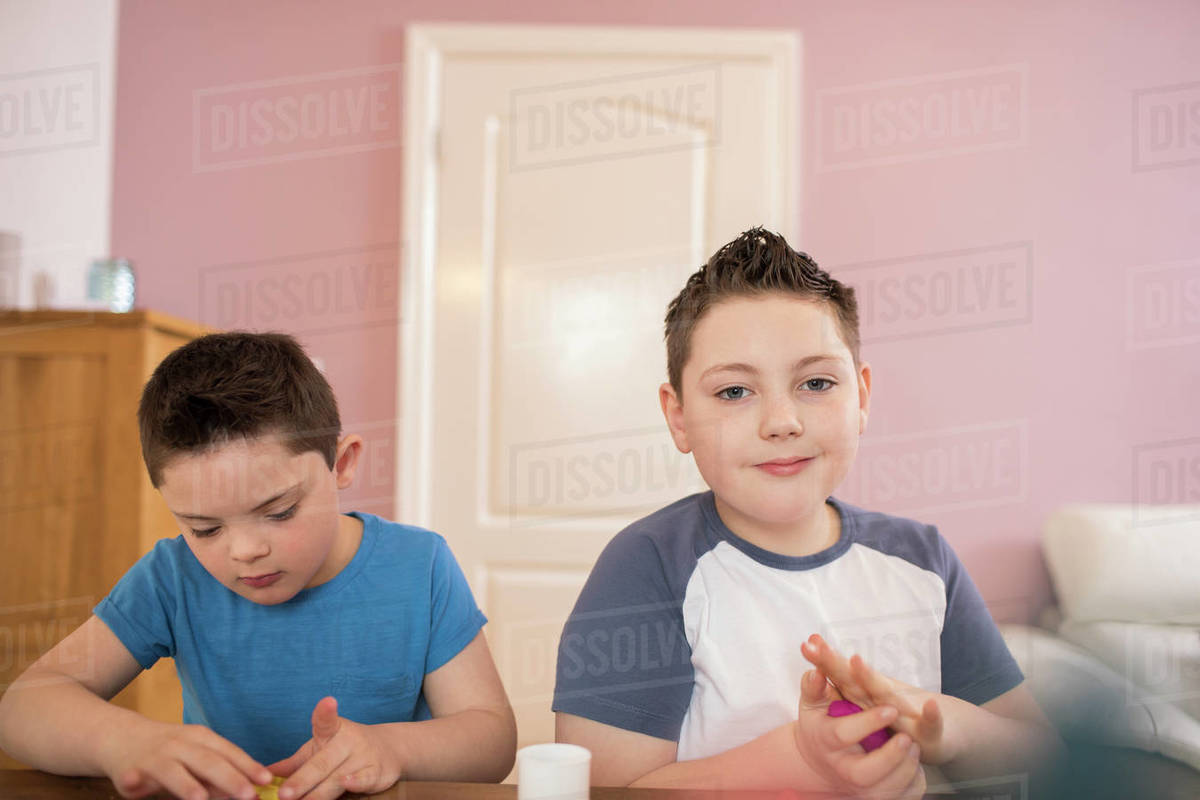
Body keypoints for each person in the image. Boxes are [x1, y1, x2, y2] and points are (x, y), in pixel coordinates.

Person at [553, 228, 1065, 798]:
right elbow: (604, 788)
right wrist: (799, 759)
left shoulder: (923, 560)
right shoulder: (647, 566)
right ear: (678, 418)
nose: (782, 420)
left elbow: (1049, 762)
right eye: (733, 392)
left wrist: (946, 727)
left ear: (862, 398)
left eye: (816, 383)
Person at [0, 332, 516, 800]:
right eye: (204, 528)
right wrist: (122, 739)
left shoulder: (419, 566)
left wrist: (393, 749)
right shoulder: (172, 577)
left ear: (342, 464)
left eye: (279, 512)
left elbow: (491, 741)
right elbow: (23, 707)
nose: (244, 551)